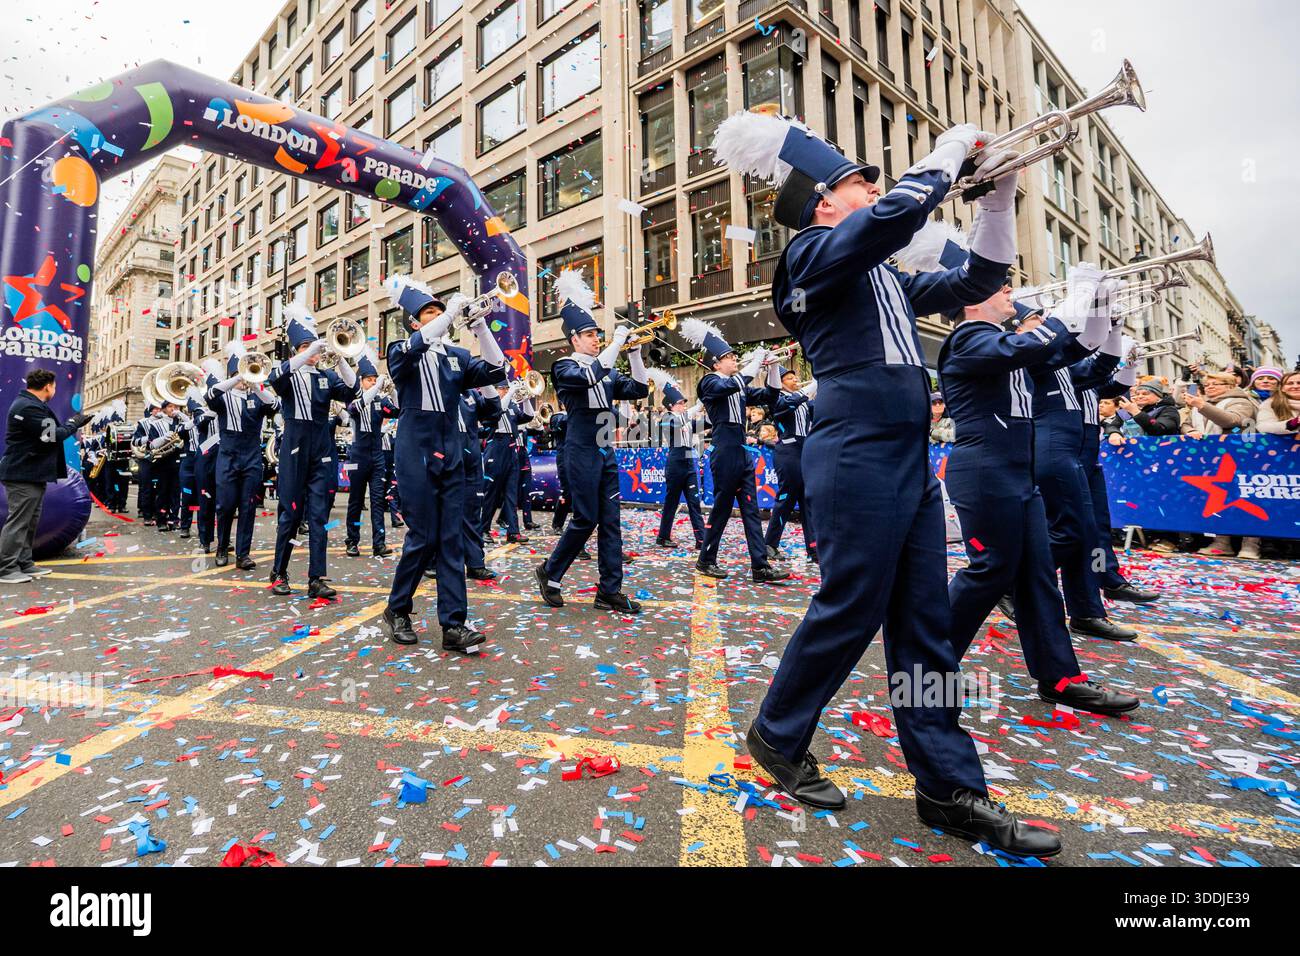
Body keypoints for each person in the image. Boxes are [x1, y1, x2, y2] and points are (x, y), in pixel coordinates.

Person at [713, 109, 1059, 856]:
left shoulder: (881, 275)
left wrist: (996, 199)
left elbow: (980, 277)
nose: (872, 187)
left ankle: (948, 787)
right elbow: (897, 214)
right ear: (822, 204)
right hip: (855, 450)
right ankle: (777, 733)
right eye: (857, 181)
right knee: (850, 607)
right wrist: (945, 153)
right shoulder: (810, 256)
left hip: (904, 453)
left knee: (925, 628)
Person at [924, 224, 1139, 719]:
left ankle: (1061, 677)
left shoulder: (1005, 341)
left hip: (1015, 474)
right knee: (988, 572)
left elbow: (1081, 355)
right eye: (1002, 287)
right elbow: (1033, 343)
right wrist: (1077, 293)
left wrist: (1101, 307)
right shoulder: (968, 340)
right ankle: (927, 668)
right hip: (985, 472)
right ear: (973, 299)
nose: (1010, 293)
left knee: (1038, 577)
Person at [381, 278, 508, 649]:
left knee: (451, 538)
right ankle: (398, 608)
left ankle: (454, 624)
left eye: (439, 310)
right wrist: (451, 311)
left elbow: (497, 370)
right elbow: (418, 344)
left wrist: (480, 325)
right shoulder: (401, 350)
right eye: (429, 313)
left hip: (451, 450)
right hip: (415, 451)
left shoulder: (456, 357)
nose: (438, 317)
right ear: (415, 322)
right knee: (423, 538)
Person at [534, 268, 649, 613]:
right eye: (589, 334)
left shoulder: (608, 368)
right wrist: (616, 344)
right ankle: (550, 572)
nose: (596, 338)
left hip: (604, 449)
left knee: (610, 519)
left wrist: (633, 352)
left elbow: (640, 389)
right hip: (580, 449)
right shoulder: (564, 367)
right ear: (573, 339)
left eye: (597, 334)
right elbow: (590, 374)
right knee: (585, 518)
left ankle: (609, 589)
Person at [680, 324, 789, 583]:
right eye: (729, 357)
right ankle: (706, 559)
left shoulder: (738, 385)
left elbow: (771, 395)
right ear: (716, 363)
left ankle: (760, 566)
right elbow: (729, 386)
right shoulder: (709, 382)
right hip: (725, 449)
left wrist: (772, 367)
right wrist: (757, 361)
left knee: (750, 510)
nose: (734, 359)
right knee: (721, 509)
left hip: (741, 450)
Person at [265, 303, 359, 597]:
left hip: (321, 445)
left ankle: (316, 577)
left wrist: (340, 356)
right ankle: (279, 572)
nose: (313, 351)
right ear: (296, 350)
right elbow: (274, 378)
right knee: (290, 515)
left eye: (314, 346)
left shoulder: (325, 376)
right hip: (294, 444)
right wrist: (306, 353)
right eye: (305, 346)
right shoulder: (288, 373)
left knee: (319, 516)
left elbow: (352, 388)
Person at [0, 368, 92, 584]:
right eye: (54, 386)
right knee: (19, 522)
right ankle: (6, 568)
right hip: (23, 474)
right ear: (48, 386)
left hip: (33, 473)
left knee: (30, 522)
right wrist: (74, 423)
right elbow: (52, 436)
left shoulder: (32, 405)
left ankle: (25, 563)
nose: (54, 390)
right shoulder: (29, 406)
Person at [206, 339, 279, 569]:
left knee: (248, 506)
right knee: (225, 505)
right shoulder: (224, 397)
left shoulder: (256, 397)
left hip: (251, 456)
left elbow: (275, 405)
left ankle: (243, 554)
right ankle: (221, 546)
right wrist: (237, 377)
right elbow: (210, 396)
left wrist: (256, 384)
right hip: (228, 455)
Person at [1184, 371, 1261, 558]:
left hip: (1241, 458)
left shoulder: (1241, 401)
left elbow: (1233, 422)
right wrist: (1191, 429)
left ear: (1230, 385)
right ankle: (1221, 542)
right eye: (1208, 384)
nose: (1210, 387)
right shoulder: (1201, 405)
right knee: (1218, 500)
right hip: (1211, 460)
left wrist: (1201, 405)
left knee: (1246, 500)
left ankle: (1251, 544)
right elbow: (1185, 423)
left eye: (1216, 384)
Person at [344, 349, 398, 558]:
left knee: (377, 499)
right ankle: (352, 540)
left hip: (376, 454)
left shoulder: (379, 401)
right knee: (356, 501)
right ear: (360, 381)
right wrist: (376, 387)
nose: (372, 382)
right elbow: (355, 409)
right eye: (368, 379)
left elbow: (398, 409)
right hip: (357, 455)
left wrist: (391, 390)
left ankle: (379, 543)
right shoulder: (354, 399)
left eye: (374, 379)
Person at [763, 366, 818, 563]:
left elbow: (818, 409)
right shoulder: (778, 399)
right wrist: (814, 383)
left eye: (795, 377)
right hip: (788, 452)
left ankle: (813, 548)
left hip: (804, 451)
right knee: (786, 499)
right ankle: (770, 544)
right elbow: (792, 401)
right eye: (790, 378)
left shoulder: (802, 399)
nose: (795, 380)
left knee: (807, 501)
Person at [649, 370, 706, 550]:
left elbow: (707, 424)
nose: (683, 406)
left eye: (683, 403)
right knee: (671, 503)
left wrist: (708, 405)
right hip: (675, 464)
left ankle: (701, 539)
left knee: (694, 502)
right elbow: (673, 425)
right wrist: (693, 409)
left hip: (689, 462)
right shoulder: (667, 419)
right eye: (680, 403)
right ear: (672, 406)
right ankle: (663, 536)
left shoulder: (685, 420)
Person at [480, 384, 530, 544]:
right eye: (502, 388)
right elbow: (497, 409)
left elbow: (527, 416)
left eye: (506, 388)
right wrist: (511, 392)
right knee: (491, 493)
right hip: (496, 446)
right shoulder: (489, 404)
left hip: (511, 447)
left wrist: (527, 399)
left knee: (511, 493)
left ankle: (513, 531)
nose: (505, 390)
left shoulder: (511, 405)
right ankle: (483, 529)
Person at [1258, 370, 1300, 436]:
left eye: (1299, 383)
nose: (1295, 386)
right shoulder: (1271, 404)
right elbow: (1263, 426)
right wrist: (1293, 423)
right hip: (1287, 444)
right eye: (1290, 383)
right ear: (1282, 388)